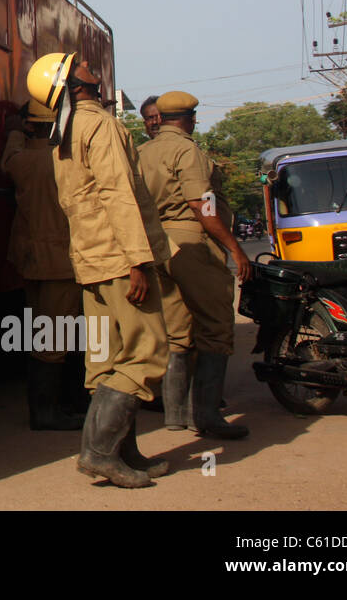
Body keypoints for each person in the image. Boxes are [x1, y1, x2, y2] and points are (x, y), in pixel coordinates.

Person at [28, 52, 170, 488]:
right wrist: (137, 261)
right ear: (75, 85)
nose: (91, 66)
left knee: (106, 359)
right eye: (82, 66)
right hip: (118, 257)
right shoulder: (102, 125)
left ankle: (123, 453)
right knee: (146, 350)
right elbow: (118, 194)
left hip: (90, 260)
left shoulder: (63, 132)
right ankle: (100, 453)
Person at [137, 90, 250, 440]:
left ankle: (175, 415)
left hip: (156, 245)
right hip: (190, 243)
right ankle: (207, 417)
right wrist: (234, 248)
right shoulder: (188, 150)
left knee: (176, 332)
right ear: (189, 118)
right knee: (216, 326)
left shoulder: (142, 152)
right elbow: (202, 205)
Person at [1, 99, 85, 431]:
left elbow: (8, 159)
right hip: (60, 262)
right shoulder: (65, 161)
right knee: (58, 338)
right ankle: (48, 412)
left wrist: (14, 133)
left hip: (31, 259)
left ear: (30, 126)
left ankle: (51, 408)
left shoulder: (21, 160)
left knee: (41, 333)